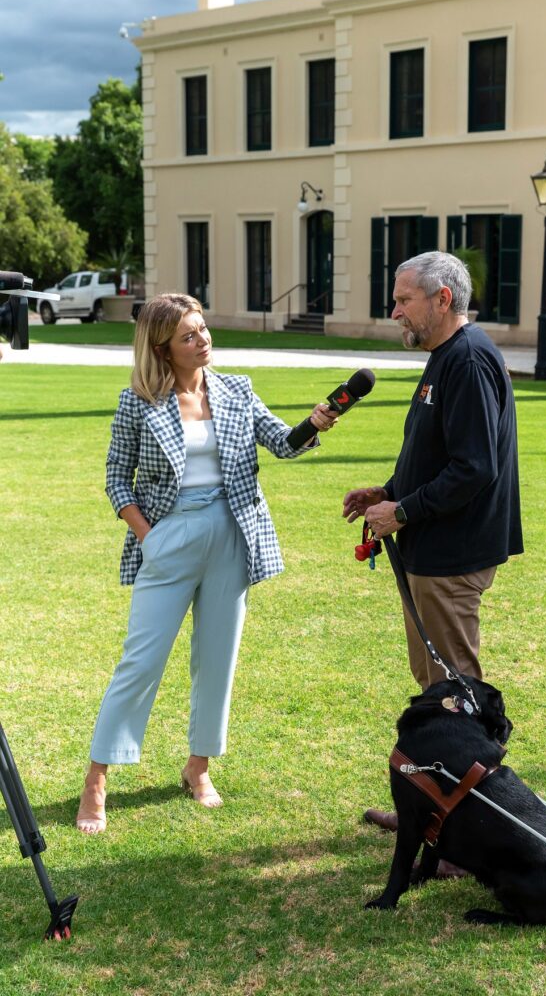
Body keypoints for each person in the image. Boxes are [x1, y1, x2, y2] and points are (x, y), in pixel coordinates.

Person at [76, 293, 337, 834]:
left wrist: (313, 423)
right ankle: (97, 777)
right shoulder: (137, 402)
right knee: (140, 662)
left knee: (218, 659)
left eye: (203, 328)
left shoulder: (236, 389)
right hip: (168, 537)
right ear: (162, 348)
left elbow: (282, 443)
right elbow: (116, 479)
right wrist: (149, 537)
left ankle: (198, 766)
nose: (203, 341)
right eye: (189, 335)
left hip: (232, 534)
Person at [342, 251, 522, 849]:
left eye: (404, 300)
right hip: (430, 551)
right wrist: (388, 492)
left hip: (453, 555)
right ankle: (431, 811)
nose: (395, 311)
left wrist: (403, 511)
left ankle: (465, 836)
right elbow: (438, 455)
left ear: (443, 299)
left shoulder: (467, 360)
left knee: (456, 700)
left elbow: (474, 467)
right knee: (436, 692)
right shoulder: (445, 357)